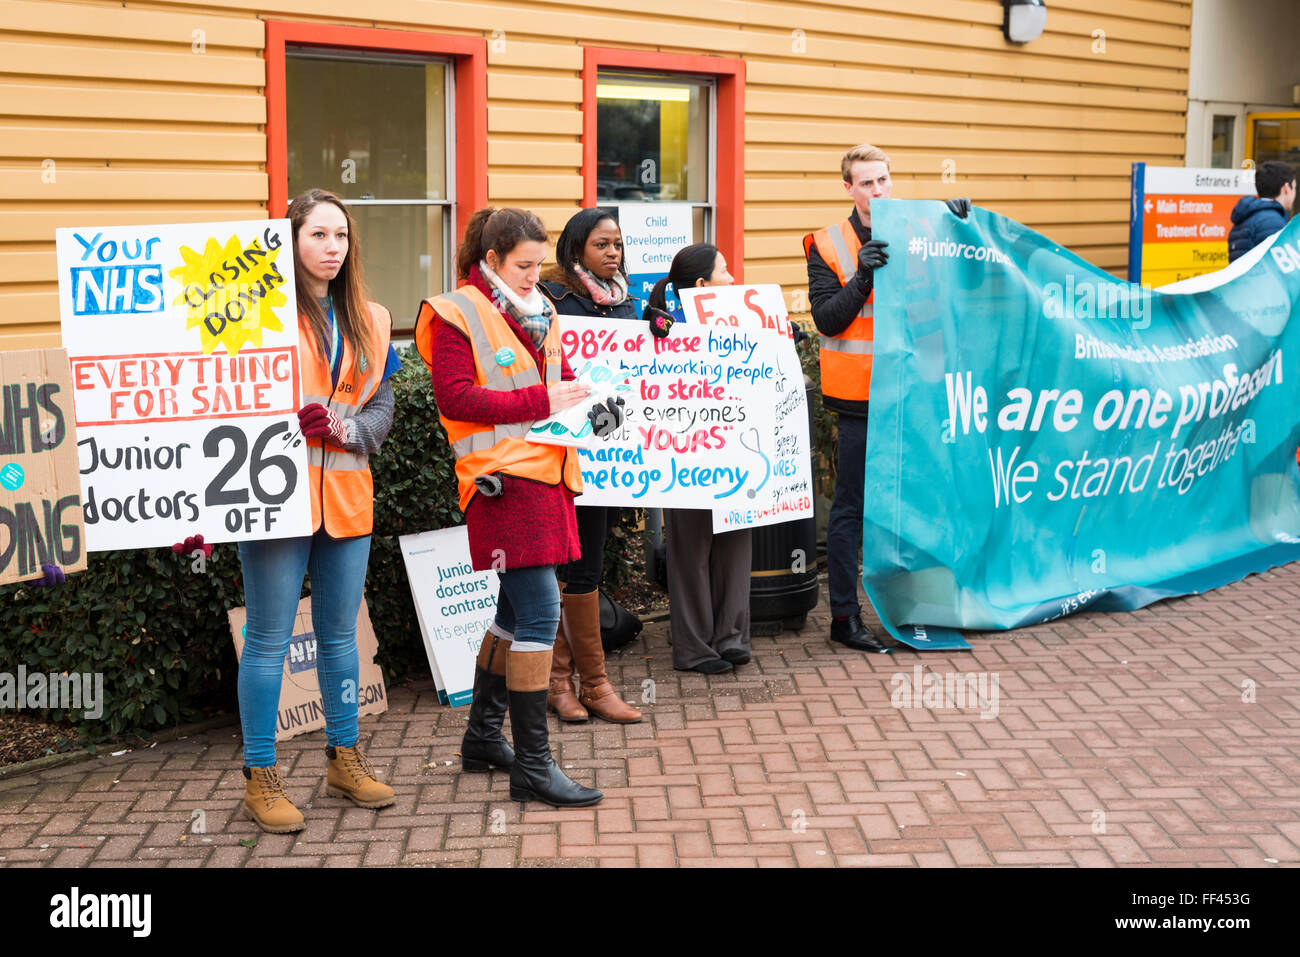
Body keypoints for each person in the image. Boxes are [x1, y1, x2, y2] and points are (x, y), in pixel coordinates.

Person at [415, 206, 620, 807]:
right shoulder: (455, 312)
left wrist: (591, 398)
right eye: (523, 265)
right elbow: (454, 397)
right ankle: (533, 766)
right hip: (500, 481)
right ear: (491, 261)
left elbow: (556, 379)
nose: (535, 276)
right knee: (538, 614)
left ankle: (482, 739)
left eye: (538, 264)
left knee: (511, 614)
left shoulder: (542, 309)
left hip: (546, 474)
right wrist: (544, 397)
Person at [238, 188, 401, 833]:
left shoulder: (374, 316)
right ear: (289, 239)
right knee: (269, 640)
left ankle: (343, 757)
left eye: (341, 235)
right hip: (275, 500)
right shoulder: (256, 312)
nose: (332, 248)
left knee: (339, 638)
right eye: (317, 235)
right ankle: (260, 775)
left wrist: (347, 429)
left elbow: (382, 413)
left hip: (347, 498)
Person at [537, 208, 643, 723]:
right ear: (575, 248)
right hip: (568, 454)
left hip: (612, 455)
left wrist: (661, 329)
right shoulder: (554, 300)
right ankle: (561, 685)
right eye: (602, 244)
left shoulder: (626, 301)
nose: (613, 253)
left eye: (618, 244)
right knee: (569, 565)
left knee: (590, 566)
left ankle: (593, 684)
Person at [804, 144, 896, 655]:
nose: (877, 191)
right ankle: (844, 618)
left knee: (909, 504)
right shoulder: (828, 244)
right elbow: (827, 320)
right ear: (848, 188)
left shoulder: (918, 230)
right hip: (858, 399)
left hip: (911, 395)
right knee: (851, 511)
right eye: (866, 183)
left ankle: (908, 607)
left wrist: (960, 228)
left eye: (883, 180)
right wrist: (862, 275)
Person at [646, 243, 754, 675]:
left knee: (735, 544)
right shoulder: (663, 328)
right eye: (725, 272)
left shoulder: (744, 321)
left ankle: (732, 638)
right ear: (703, 285)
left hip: (737, 449)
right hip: (686, 456)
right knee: (690, 550)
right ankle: (693, 648)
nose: (734, 279)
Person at [1228, 160, 1296, 263]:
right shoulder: (1271, 221)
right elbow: (1277, 268)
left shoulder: (1246, 216)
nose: (1295, 193)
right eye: (1294, 188)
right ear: (1286, 188)